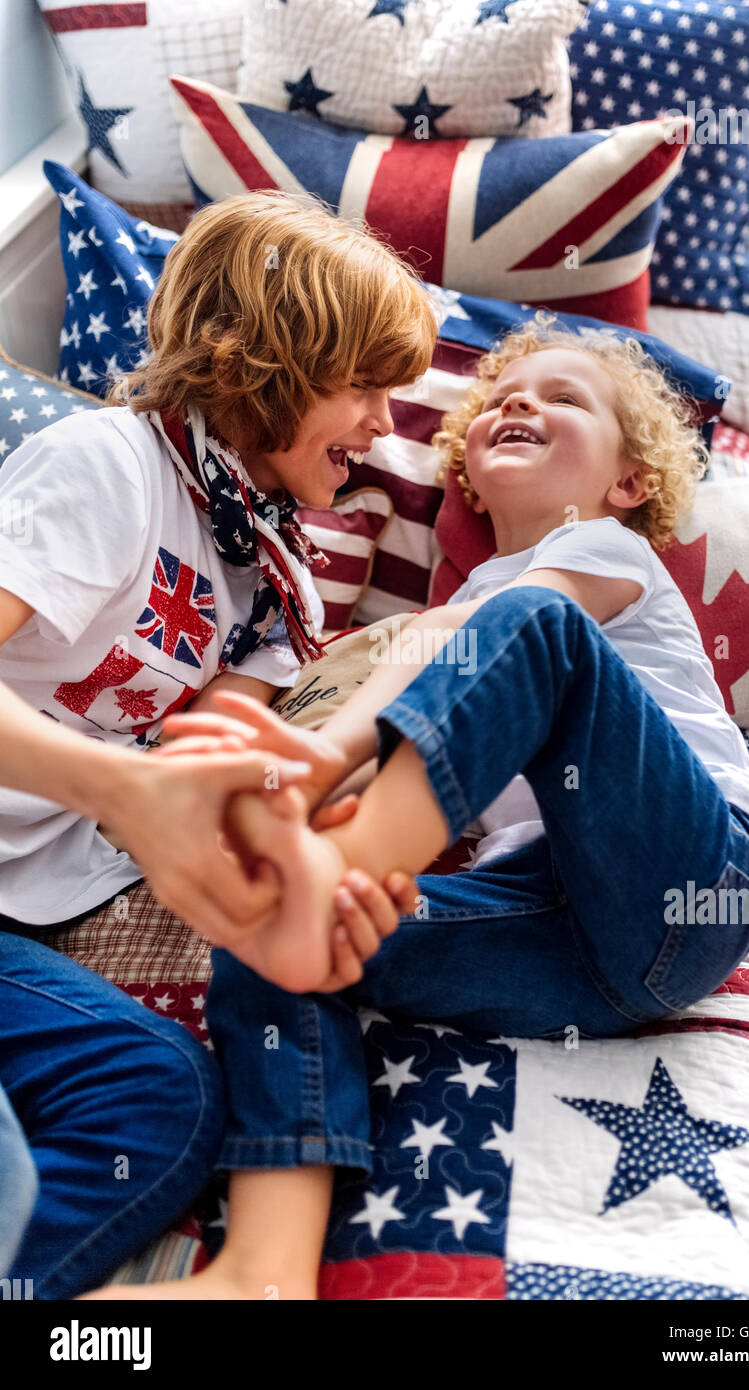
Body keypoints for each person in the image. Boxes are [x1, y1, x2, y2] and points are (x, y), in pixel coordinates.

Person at [100, 322, 749, 1300]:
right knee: (280, 934)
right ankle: (264, 1267)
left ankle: (328, 883)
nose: (518, 405)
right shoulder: (445, 625)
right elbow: (419, 699)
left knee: (522, 628)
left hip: (690, 879)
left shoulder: (599, 553)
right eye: (503, 398)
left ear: (628, 482)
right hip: (566, 950)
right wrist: (283, 816)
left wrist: (317, 769)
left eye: (562, 398)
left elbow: (476, 637)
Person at [0, 187, 433, 1294]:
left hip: (21, 913)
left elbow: (208, 765)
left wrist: (318, 851)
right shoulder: (110, 469)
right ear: (267, 368)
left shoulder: (266, 585)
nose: (387, 423)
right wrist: (123, 785)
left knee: (158, 1098)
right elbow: (149, 781)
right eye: (365, 387)